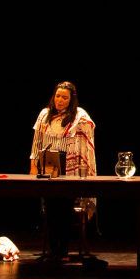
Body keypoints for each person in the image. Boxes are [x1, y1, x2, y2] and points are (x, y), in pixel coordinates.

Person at [29, 81, 97, 259]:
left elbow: (86, 143)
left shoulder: (79, 116)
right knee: (51, 208)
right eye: (57, 96)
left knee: (65, 208)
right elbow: (36, 142)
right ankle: (53, 250)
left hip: (69, 169)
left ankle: (63, 249)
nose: (60, 100)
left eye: (64, 97)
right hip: (48, 169)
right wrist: (33, 166)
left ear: (71, 99)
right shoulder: (45, 115)